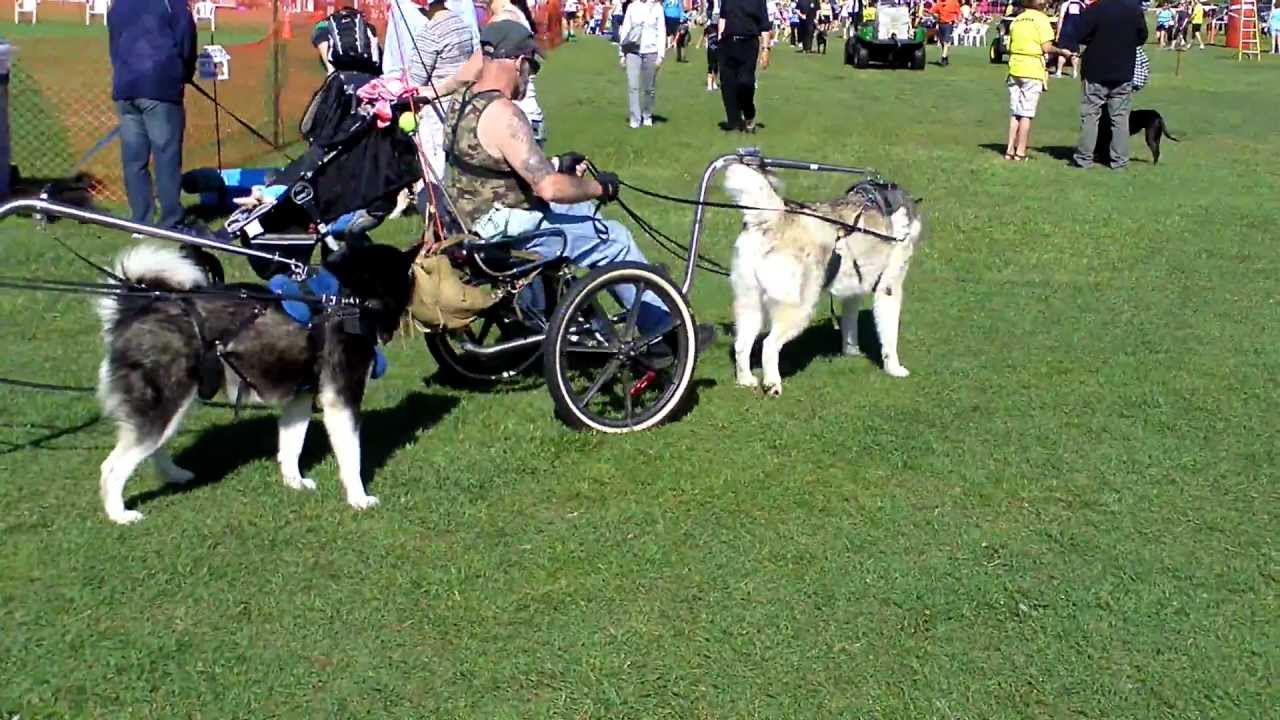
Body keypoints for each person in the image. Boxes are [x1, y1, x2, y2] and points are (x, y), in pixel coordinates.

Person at [443, 20, 712, 347]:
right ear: (518, 61)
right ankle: (665, 331)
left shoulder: (461, 103)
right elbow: (550, 189)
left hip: (468, 221)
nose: (531, 73)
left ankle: (581, 313)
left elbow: (494, 166)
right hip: (507, 233)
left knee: (584, 212)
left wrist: (558, 164)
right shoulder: (505, 115)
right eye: (532, 65)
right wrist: (602, 188)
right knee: (615, 238)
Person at [108, 0, 197, 230]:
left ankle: (141, 220)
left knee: (134, 158)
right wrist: (185, 73)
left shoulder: (118, 4)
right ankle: (170, 221)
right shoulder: (172, 3)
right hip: (160, 86)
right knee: (166, 156)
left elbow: (114, 44)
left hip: (126, 86)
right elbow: (186, 40)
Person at [1071, 0, 1147, 169]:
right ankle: (1119, 160)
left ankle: (1084, 158)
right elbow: (1142, 37)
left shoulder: (1096, 9)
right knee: (1120, 118)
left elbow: (1081, 35)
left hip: (1096, 70)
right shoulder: (1134, 9)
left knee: (1090, 115)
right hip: (1123, 69)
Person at [408, 0, 476, 183]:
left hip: (434, 110)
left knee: (433, 169)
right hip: (462, 103)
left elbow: (415, 80)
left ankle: (435, 209)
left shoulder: (429, 33)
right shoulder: (462, 25)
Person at [1003, 0, 1073, 161]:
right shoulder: (1042, 20)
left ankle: (1009, 150)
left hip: (1015, 68)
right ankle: (1020, 151)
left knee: (1015, 112)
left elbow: (1010, 44)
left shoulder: (1017, 19)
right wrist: (1062, 52)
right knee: (1026, 113)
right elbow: (1046, 47)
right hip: (1032, 69)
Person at [718, 0, 773, 132]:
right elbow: (723, 17)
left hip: (748, 44)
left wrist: (766, 49)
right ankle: (733, 121)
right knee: (728, 84)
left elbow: (765, 26)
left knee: (745, 82)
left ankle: (749, 113)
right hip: (728, 43)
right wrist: (720, 38)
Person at [618, 0, 667, 128]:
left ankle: (647, 115)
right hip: (632, 51)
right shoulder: (632, 7)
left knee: (649, 88)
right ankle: (635, 118)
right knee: (632, 86)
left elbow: (661, 32)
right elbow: (625, 30)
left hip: (651, 51)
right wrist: (621, 53)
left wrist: (660, 55)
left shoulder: (657, 8)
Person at [1054, 0, 1084, 77]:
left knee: (1062, 51)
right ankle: (1074, 72)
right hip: (1077, 32)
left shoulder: (1065, 4)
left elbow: (1060, 20)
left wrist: (1058, 33)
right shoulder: (1082, 5)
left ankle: (1059, 72)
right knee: (1075, 52)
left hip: (1065, 31)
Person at [932, 0, 961, 66]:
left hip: (949, 24)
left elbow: (958, 12)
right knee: (942, 42)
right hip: (941, 24)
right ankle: (945, 57)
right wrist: (936, 17)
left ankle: (943, 58)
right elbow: (932, 11)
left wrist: (957, 19)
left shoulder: (953, 2)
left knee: (946, 42)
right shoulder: (939, 3)